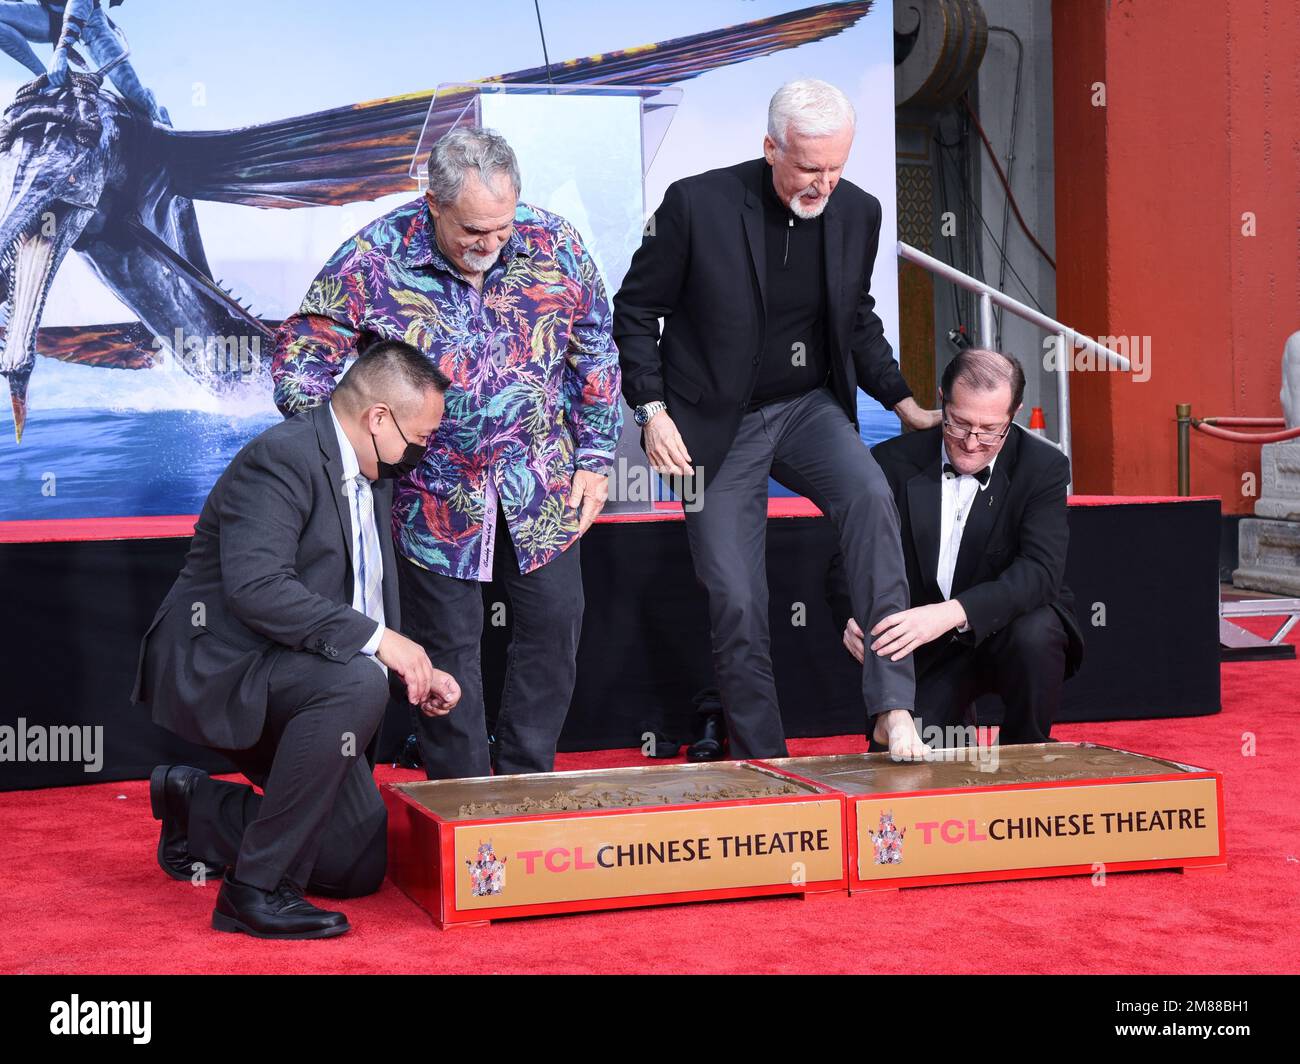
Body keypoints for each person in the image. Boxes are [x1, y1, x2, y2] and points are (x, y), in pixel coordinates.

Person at [271, 127, 621, 779]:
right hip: (430, 493)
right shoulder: (376, 256)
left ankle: (525, 780)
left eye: (502, 228)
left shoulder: (557, 244)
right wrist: (350, 442)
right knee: (447, 657)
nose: (490, 245)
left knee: (554, 628)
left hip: (540, 481)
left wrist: (597, 455)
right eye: (472, 232)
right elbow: (303, 355)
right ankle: (461, 803)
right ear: (433, 204)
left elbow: (595, 349)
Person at [613, 78, 938, 760]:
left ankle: (891, 706)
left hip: (806, 408)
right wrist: (651, 410)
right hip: (712, 422)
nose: (823, 184)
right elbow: (637, 311)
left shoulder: (858, 212)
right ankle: (765, 757)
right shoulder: (697, 205)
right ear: (770, 147)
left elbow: (856, 321)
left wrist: (902, 401)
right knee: (734, 596)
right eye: (808, 168)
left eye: (837, 167)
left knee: (872, 497)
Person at [132, 340, 461, 939]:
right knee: (358, 678)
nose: (422, 453)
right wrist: (380, 644)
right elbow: (257, 589)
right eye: (418, 440)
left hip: (299, 668)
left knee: (355, 864)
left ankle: (196, 807)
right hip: (224, 663)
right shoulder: (281, 458)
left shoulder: (371, 474)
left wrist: (413, 664)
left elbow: (356, 597)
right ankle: (251, 892)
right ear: (377, 418)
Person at [834, 348, 1085, 753]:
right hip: (922, 650)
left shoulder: (1043, 467)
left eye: (990, 430)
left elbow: (1040, 572)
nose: (972, 443)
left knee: (1037, 631)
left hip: (1005, 630)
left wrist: (951, 613)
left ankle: (1026, 752)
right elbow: (844, 560)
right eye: (960, 423)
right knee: (903, 762)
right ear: (942, 401)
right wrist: (851, 614)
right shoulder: (888, 462)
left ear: (1015, 413)